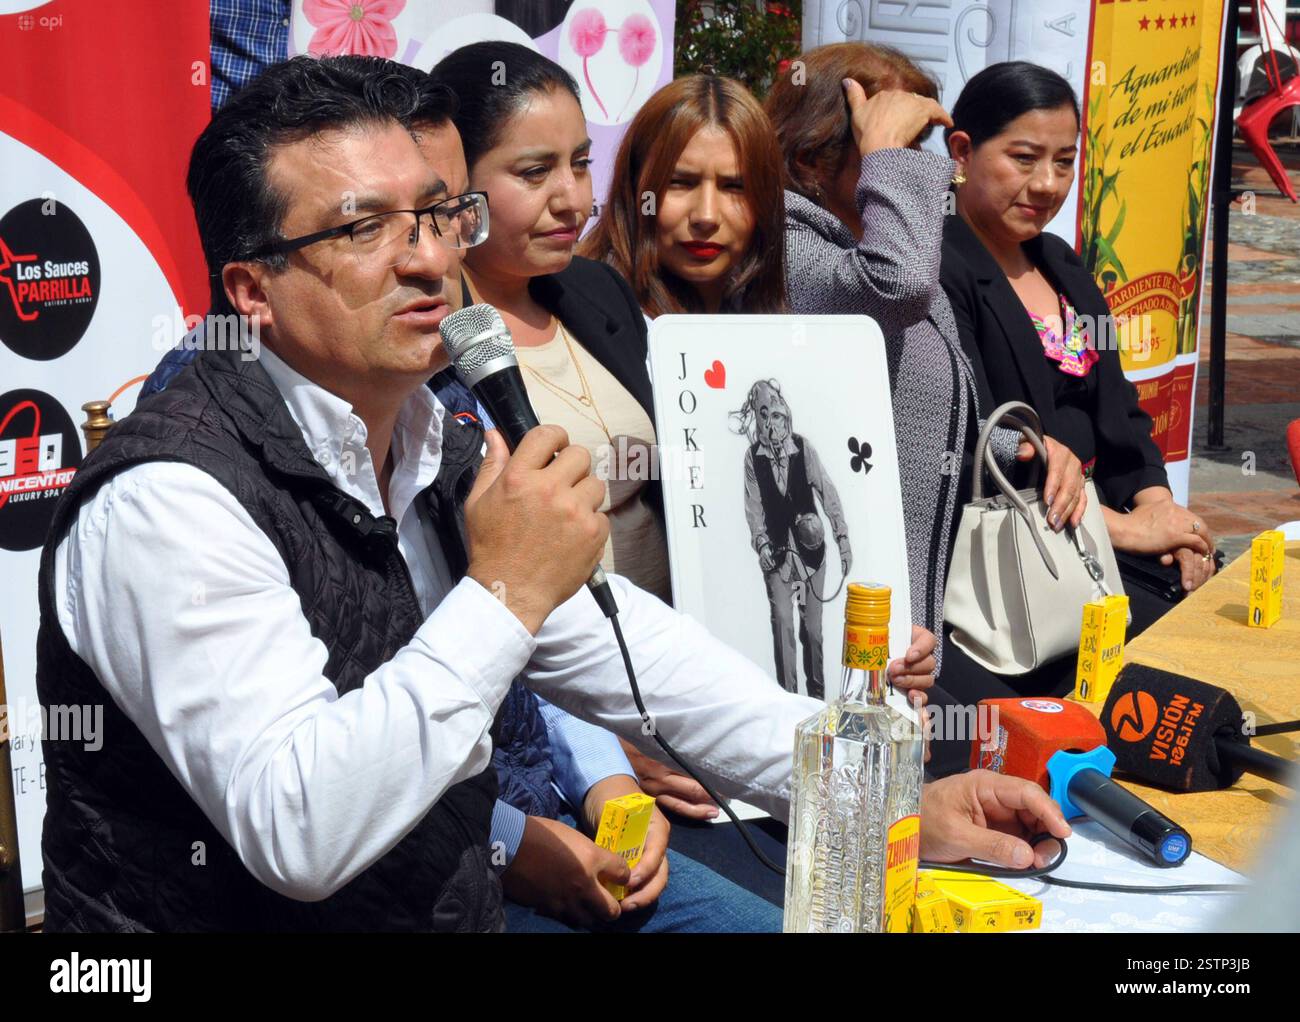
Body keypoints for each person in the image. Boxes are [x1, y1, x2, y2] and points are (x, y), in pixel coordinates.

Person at [38, 56, 1071, 933]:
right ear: (251, 289)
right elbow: (297, 826)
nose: (429, 260)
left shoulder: (436, 435)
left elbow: (644, 666)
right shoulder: (166, 500)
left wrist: (883, 793)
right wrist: (502, 595)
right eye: (364, 230)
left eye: (438, 217)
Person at [763, 44, 1088, 683]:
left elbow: (941, 401)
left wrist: (1033, 444)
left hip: (918, 612)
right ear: (810, 160)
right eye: (896, 147)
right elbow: (898, 288)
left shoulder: (883, 237)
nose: (928, 174)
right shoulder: (797, 250)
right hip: (849, 613)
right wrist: (887, 152)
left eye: (918, 149)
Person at [939, 61, 1216, 699]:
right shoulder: (943, 275)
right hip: (1025, 569)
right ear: (962, 151)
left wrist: (1162, 514)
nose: (1046, 184)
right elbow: (986, 440)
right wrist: (1127, 530)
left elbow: (1121, 417)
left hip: (1105, 545)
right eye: (1024, 157)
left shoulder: (1063, 265)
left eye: (1064, 162)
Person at [580, 73, 786, 315]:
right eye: (679, 183)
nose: (706, 216)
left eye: (734, 187)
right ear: (634, 187)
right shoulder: (589, 315)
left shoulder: (769, 315)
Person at [734, 379, 852, 699]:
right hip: (777, 555)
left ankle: (816, 701)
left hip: (812, 554)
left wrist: (842, 538)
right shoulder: (752, 458)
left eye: (777, 413)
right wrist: (761, 545)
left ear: (785, 413)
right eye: (764, 414)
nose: (772, 422)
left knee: (812, 632)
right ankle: (787, 702)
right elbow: (753, 507)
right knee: (783, 624)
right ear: (757, 419)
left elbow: (828, 493)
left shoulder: (803, 448)